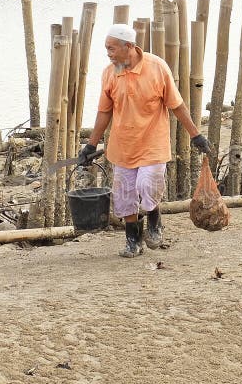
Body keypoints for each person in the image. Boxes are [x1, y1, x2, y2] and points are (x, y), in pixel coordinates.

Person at [79, 23, 211, 258]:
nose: (108, 53)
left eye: (112, 48)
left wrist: (196, 135)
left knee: (147, 185)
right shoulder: (110, 72)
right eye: (106, 48)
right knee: (124, 194)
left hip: (153, 142)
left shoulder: (157, 67)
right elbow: (104, 112)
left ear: (129, 46)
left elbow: (177, 105)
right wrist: (91, 145)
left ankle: (154, 220)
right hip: (123, 145)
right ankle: (133, 241)